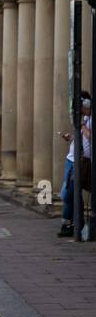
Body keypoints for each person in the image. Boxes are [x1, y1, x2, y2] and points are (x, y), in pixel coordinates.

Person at [58, 93, 92, 238]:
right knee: (70, 194)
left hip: (82, 161)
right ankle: (74, 223)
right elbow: (82, 138)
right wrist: (70, 137)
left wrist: (82, 125)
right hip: (72, 159)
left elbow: (90, 136)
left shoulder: (89, 120)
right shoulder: (85, 118)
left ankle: (70, 224)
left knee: (68, 194)